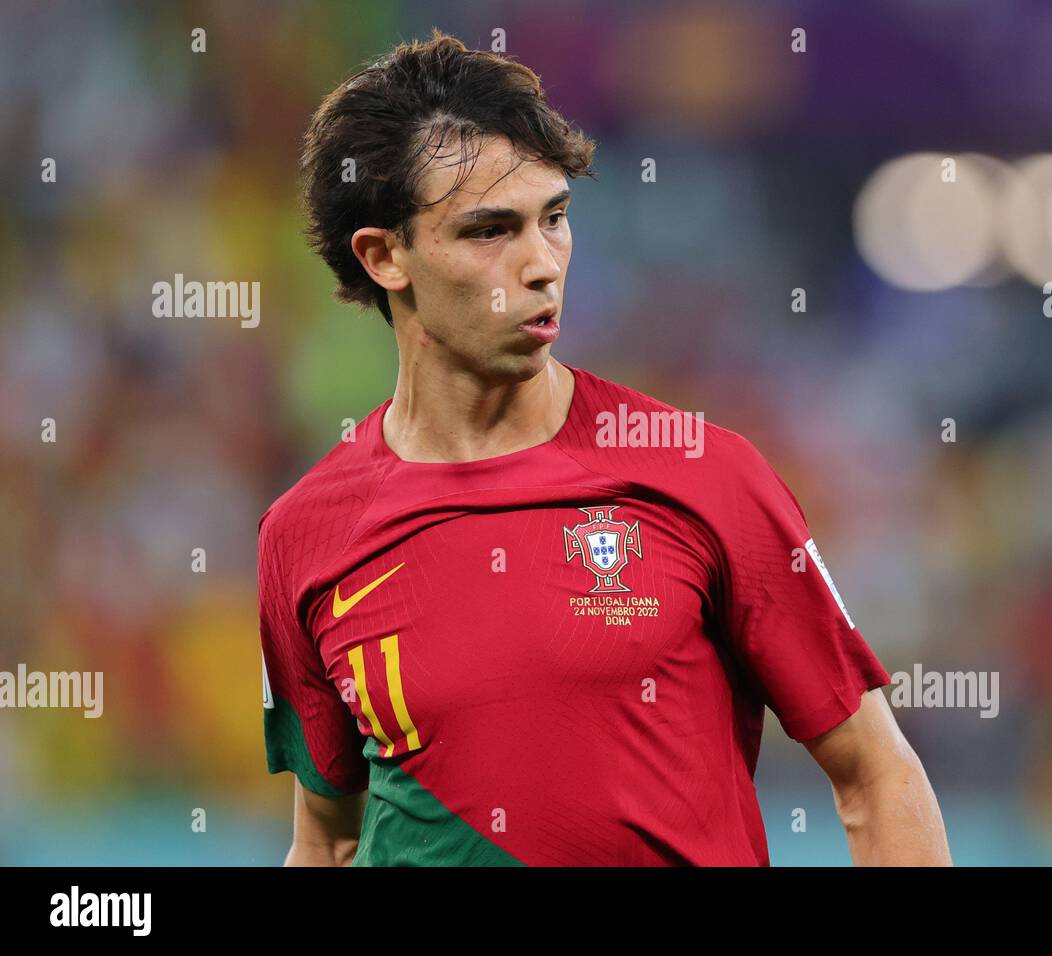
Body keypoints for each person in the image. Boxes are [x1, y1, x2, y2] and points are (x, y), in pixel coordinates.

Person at [259, 28, 951, 866]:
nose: (543, 263)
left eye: (554, 219)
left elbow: (877, 777)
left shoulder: (705, 476)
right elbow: (327, 841)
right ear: (384, 256)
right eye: (490, 232)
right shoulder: (305, 535)